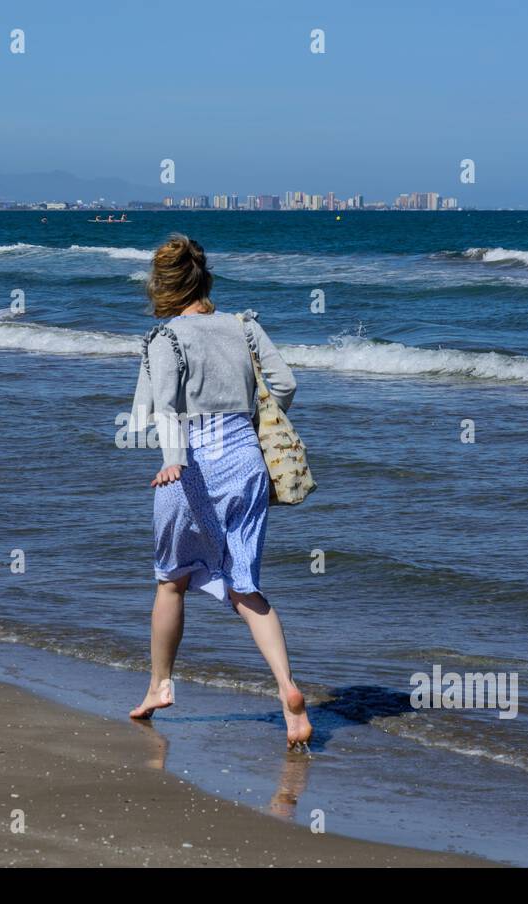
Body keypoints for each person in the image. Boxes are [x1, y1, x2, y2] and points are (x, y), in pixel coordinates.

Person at [127, 234, 313, 748]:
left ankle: (160, 685)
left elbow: (159, 408)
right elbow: (287, 385)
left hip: (189, 463)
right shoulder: (244, 327)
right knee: (245, 584)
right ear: (205, 280)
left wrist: (173, 460)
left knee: (171, 581)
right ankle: (288, 689)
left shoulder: (166, 339)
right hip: (246, 459)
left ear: (162, 287)